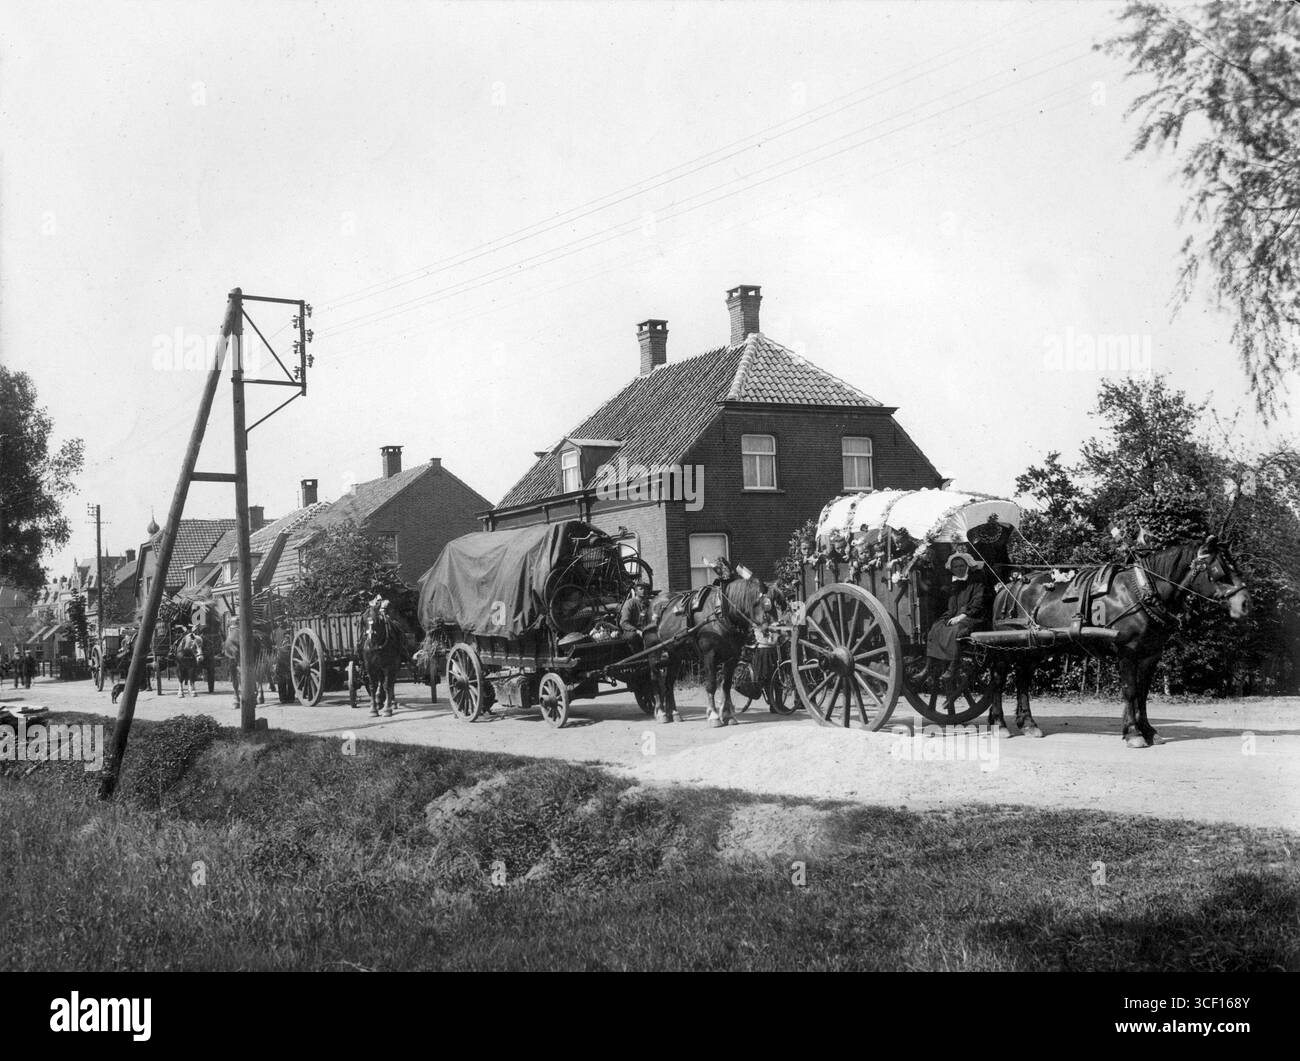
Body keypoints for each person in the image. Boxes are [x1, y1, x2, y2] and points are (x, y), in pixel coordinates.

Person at [915, 552, 990, 701]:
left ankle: (952, 668)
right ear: (952, 569)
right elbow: (951, 607)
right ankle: (928, 668)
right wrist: (950, 617)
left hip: (975, 617)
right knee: (936, 628)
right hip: (956, 616)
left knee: (956, 631)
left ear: (968, 566)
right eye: (955, 566)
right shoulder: (955, 584)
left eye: (962, 566)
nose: (959, 569)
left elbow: (979, 602)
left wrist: (963, 616)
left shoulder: (978, 581)